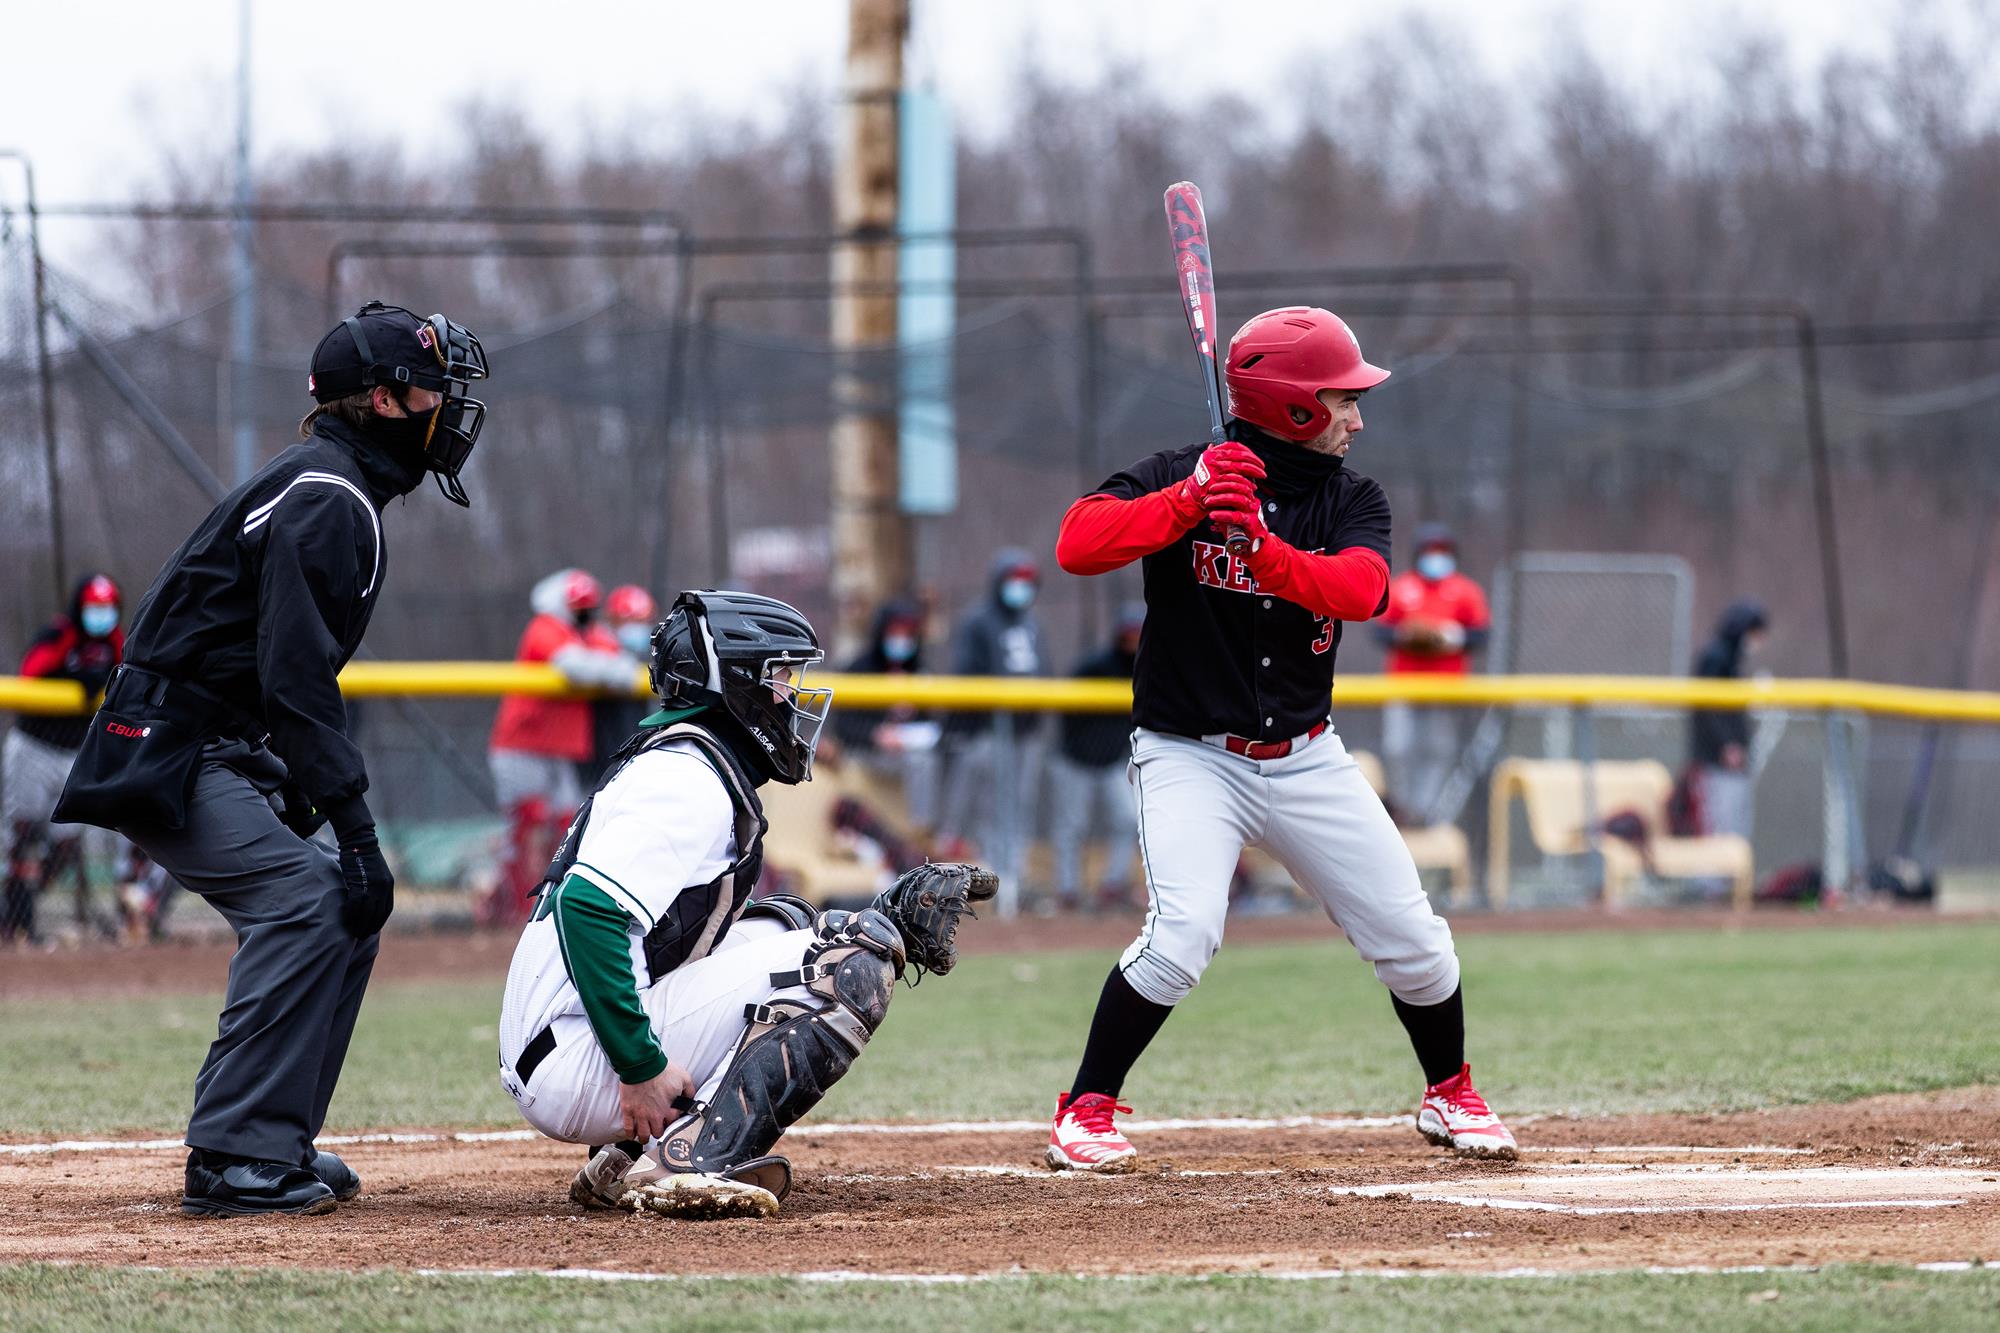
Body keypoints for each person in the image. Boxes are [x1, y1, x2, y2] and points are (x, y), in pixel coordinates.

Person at [1044, 305, 1516, 1172]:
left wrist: (1260, 550)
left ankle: (1450, 1091)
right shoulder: (1185, 471)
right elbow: (1077, 543)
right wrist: (1185, 503)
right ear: (1294, 407)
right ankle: (1086, 1108)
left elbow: (1362, 590)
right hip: (1188, 752)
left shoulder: (1353, 497)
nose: (1357, 417)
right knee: (1181, 935)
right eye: (1341, 400)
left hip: (1304, 754)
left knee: (1416, 939)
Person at [52, 300, 489, 1215]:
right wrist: (357, 825)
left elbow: (272, 678)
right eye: (429, 391)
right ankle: (230, 1155)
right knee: (310, 900)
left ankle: (273, 1136)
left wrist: (321, 809)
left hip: (211, 740)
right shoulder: (328, 495)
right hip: (171, 745)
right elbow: (296, 681)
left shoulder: (335, 486)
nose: (445, 409)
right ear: (379, 400)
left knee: (344, 901)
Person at [496, 590, 995, 1219]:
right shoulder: (687, 778)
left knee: (789, 924)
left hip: (562, 1037)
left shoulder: (688, 761)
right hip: (575, 1054)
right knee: (848, 962)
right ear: (737, 683)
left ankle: (624, 1159)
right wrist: (640, 1064)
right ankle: (691, 1159)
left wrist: (887, 919)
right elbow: (587, 911)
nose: (793, 696)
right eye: (782, 676)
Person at [483, 569, 632, 925]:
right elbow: (575, 667)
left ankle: (550, 907)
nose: (584, 613)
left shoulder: (590, 634)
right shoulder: (546, 627)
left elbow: (618, 657)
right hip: (522, 745)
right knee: (526, 825)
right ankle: (513, 910)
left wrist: (612, 662)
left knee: (568, 823)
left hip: (563, 750)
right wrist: (611, 667)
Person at [3, 573, 126, 946]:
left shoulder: (114, 641)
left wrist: (100, 677)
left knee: (64, 843)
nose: (100, 616)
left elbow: (129, 675)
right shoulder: (60, 635)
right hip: (35, 747)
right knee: (24, 834)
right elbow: (31, 673)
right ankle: (19, 926)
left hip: (74, 751)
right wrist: (74, 675)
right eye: (93, 608)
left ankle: (17, 911)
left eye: (106, 609)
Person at [935, 550, 1046, 902]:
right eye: (1014, 580)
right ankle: (996, 880)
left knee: (1022, 804)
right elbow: (967, 674)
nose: (1020, 588)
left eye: (1026, 581)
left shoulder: (1031, 623)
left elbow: (1043, 671)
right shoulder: (978, 621)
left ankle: (1015, 877)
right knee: (991, 808)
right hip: (987, 730)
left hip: (1024, 731)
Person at [1376, 522, 1489, 821]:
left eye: (1441, 551)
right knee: (1398, 748)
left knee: (1437, 751)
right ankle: (1401, 807)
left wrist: (1450, 636)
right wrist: (1409, 635)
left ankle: (1427, 814)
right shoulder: (1402, 587)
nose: (1435, 557)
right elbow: (1381, 631)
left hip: (1446, 686)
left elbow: (1481, 635)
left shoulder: (1464, 590)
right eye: (1430, 551)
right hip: (1403, 685)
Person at [1048, 602, 1146, 913]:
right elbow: (1065, 709)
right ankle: (1068, 891)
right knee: (1071, 827)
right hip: (1075, 760)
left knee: (1128, 820)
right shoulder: (1095, 666)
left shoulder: (1148, 667)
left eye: (1138, 634)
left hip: (1113, 762)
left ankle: (1112, 885)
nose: (1133, 640)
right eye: (1129, 634)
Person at [829, 598, 942, 832]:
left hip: (908, 749)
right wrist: (876, 733)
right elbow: (842, 725)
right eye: (895, 633)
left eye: (907, 634)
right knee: (921, 761)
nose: (901, 640)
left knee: (944, 757)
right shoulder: (860, 667)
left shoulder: (919, 670)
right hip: (868, 751)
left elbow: (931, 724)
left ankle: (940, 832)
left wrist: (911, 712)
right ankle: (922, 829)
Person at [1685, 601, 1768, 842]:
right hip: (1715, 762)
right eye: (1754, 633)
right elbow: (1708, 708)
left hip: (1731, 763)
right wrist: (1727, 744)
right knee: (1718, 825)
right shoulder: (1715, 657)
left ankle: (1730, 878)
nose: (1757, 640)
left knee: (1736, 826)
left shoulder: (1731, 660)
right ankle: (1710, 880)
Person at [584, 584, 656, 780]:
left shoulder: (653, 653)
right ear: (612, 620)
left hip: (637, 748)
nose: (636, 628)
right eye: (628, 621)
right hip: (596, 752)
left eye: (641, 621)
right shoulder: (596, 643)